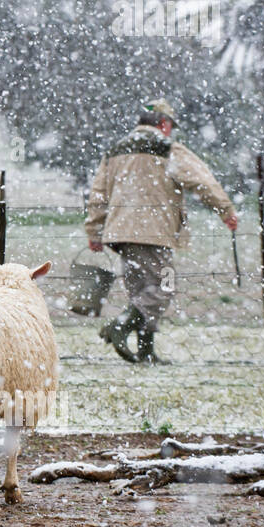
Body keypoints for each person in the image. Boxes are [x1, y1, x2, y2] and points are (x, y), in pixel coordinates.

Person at [84, 99, 238, 364]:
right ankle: (121, 326)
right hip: (154, 231)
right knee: (164, 287)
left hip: (120, 233)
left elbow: (98, 194)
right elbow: (201, 180)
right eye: (170, 126)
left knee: (140, 291)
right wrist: (224, 209)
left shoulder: (114, 151)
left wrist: (95, 231)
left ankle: (146, 353)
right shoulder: (168, 148)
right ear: (164, 124)